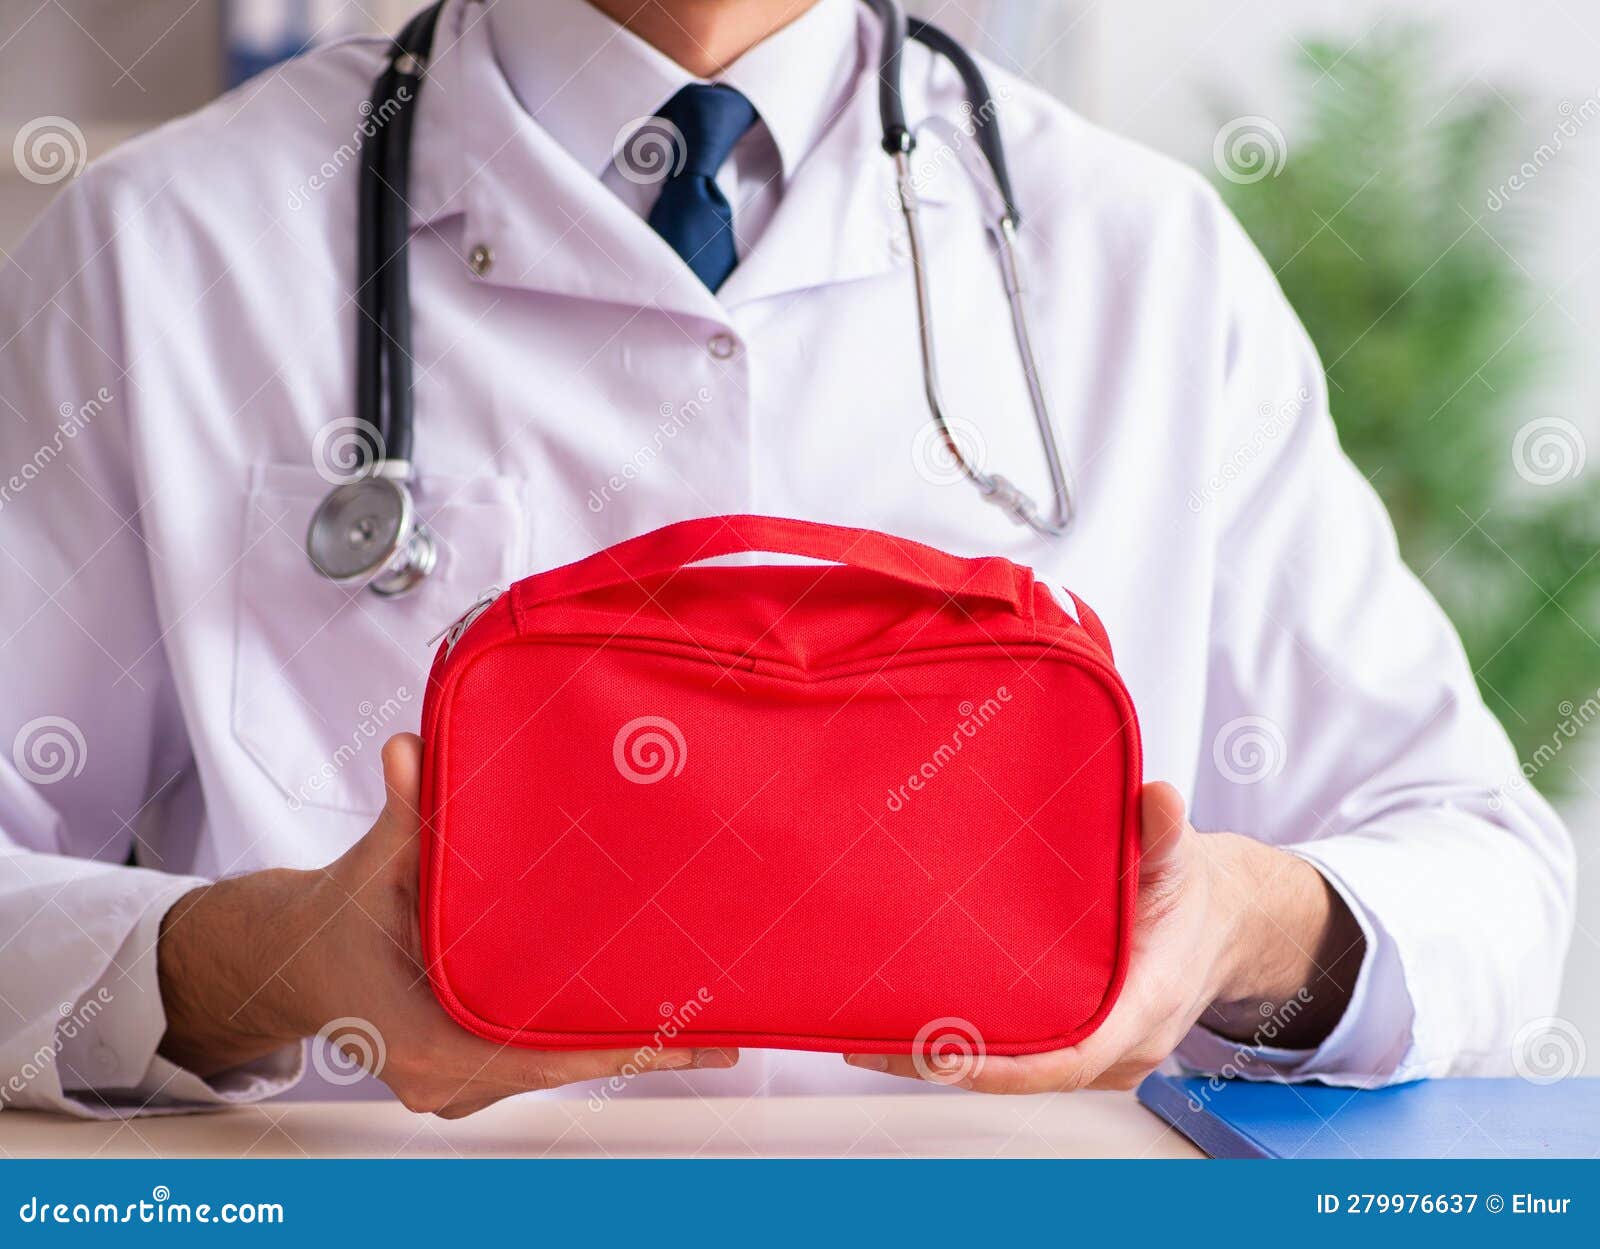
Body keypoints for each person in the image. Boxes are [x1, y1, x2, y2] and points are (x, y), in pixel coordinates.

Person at [0, 0, 1572, 1120]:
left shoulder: (1146, 260)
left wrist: (1239, 919)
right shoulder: (162, 247)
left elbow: (1489, 876)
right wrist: (263, 968)